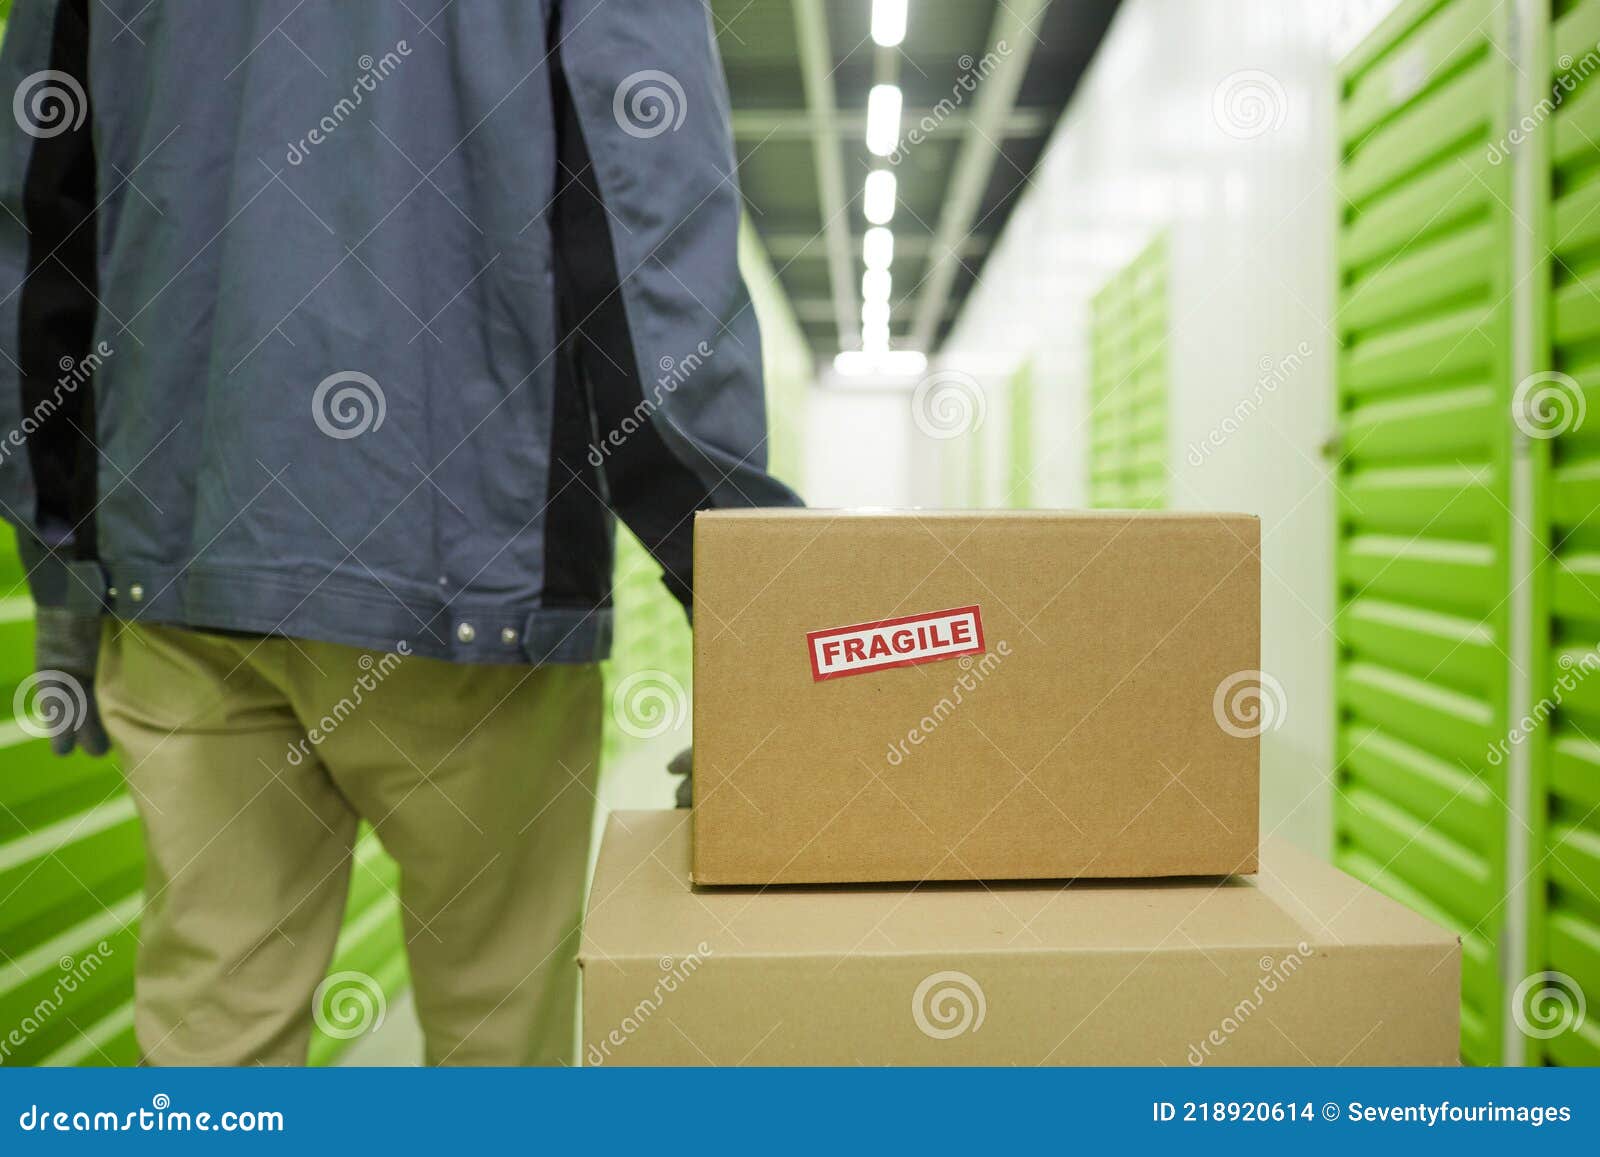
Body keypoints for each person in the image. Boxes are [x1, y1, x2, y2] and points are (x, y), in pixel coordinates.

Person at [0, 0, 795, 1066]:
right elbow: (646, 223)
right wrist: (739, 584)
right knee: (498, 1035)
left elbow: (40, 222)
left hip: (184, 574)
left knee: (212, 1039)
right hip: (477, 578)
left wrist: (62, 557)